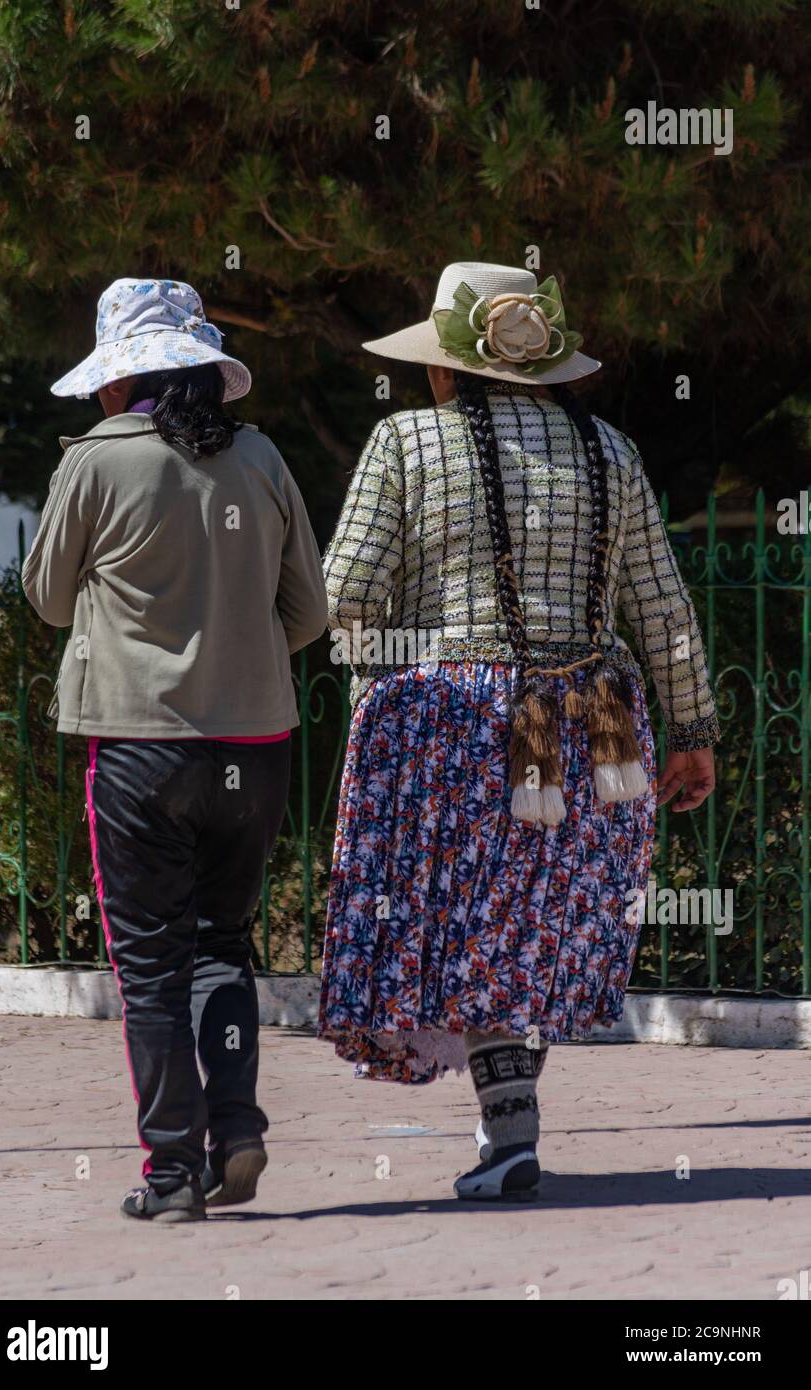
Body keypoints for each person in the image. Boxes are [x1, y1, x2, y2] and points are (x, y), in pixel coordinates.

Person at [318, 260, 719, 1201]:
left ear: (446, 367)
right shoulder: (612, 451)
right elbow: (661, 608)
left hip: (453, 716)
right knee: (530, 924)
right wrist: (694, 729)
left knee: (469, 925)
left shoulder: (407, 441)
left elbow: (343, 600)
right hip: (597, 721)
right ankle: (511, 1135)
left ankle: (510, 1144)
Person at [23, 278, 328, 1222]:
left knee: (150, 966)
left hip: (138, 754)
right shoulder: (265, 457)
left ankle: (170, 1172)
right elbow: (310, 614)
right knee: (222, 949)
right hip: (256, 750)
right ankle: (235, 1126)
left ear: (119, 382)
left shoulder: (96, 463)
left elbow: (45, 597)